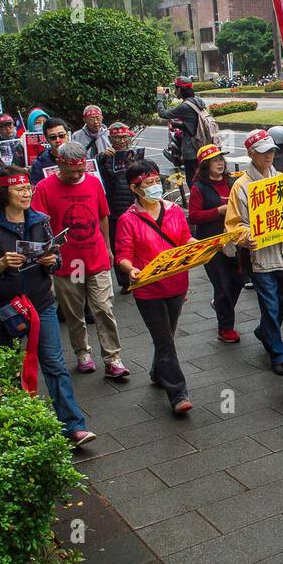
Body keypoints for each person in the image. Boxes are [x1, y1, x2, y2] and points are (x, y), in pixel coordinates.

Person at [0, 167, 96, 448]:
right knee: (10, 368)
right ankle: (19, 427)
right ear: (3, 194)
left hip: (41, 303)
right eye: (19, 189)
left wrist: (52, 262)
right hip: (4, 308)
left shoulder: (41, 221)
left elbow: (58, 259)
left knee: (55, 365)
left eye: (28, 188)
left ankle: (73, 426)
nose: (26, 194)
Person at [31, 140, 130, 380]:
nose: (76, 176)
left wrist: (108, 246)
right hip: (68, 262)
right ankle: (82, 352)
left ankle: (112, 357)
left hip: (95, 257)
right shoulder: (45, 187)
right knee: (74, 312)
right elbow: (37, 223)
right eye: (70, 171)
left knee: (103, 308)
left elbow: (103, 217)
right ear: (59, 165)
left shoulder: (94, 183)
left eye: (80, 170)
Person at [114, 158, 194, 415]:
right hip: (148, 289)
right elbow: (122, 254)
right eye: (148, 183)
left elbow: (184, 239)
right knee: (164, 340)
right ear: (135, 188)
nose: (155, 187)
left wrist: (203, 246)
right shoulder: (128, 219)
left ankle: (157, 372)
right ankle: (178, 393)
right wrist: (130, 269)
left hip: (177, 284)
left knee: (166, 337)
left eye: (157, 181)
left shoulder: (173, 210)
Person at [229, 130, 283, 375]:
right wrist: (247, 237)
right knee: (270, 306)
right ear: (251, 154)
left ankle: (265, 331)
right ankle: (278, 353)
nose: (269, 155)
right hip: (261, 258)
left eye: (271, 151)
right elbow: (234, 225)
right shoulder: (241, 187)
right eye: (263, 152)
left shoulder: (282, 180)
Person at [188, 141, 243, 343]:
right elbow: (193, 216)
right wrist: (217, 211)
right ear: (205, 165)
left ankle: (220, 306)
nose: (220, 163)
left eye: (221, 159)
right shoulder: (199, 188)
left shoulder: (232, 182)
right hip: (211, 243)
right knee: (222, 285)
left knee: (237, 281)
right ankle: (225, 327)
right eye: (214, 161)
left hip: (234, 240)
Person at [100, 122, 140, 293]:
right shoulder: (104, 157)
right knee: (119, 245)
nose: (122, 141)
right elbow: (101, 180)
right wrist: (102, 159)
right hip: (114, 207)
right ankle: (124, 281)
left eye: (125, 137)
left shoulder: (135, 155)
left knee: (138, 241)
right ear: (110, 139)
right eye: (117, 137)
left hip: (134, 204)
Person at [155, 77, 210, 187]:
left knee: (193, 183)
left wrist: (160, 98)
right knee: (203, 181)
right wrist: (180, 125)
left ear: (180, 90)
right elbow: (195, 124)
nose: (175, 91)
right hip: (201, 147)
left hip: (191, 150)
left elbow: (163, 113)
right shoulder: (198, 102)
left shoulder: (185, 106)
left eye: (175, 88)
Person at [29, 117, 70, 184]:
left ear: (68, 135)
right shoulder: (39, 165)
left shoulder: (79, 157)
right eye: (53, 137)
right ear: (47, 139)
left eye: (61, 135)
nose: (58, 140)